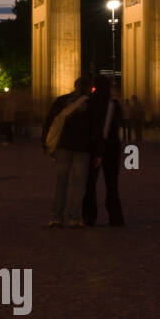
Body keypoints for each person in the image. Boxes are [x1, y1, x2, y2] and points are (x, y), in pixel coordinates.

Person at [43, 77, 91, 228]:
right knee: (78, 184)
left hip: (63, 146)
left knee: (61, 182)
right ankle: (74, 218)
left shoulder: (61, 101)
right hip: (83, 148)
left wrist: (45, 143)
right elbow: (96, 128)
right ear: (89, 88)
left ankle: (56, 217)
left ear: (74, 86)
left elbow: (50, 121)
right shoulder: (91, 103)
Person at [82, 76, 125, 227]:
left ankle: (89, 217)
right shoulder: (114, 105)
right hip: (112, 148)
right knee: (112, 184)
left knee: (89, 184)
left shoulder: (89, 103)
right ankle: (116, 217)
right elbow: (120, 124)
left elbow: (91, 127)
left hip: (94, 148)